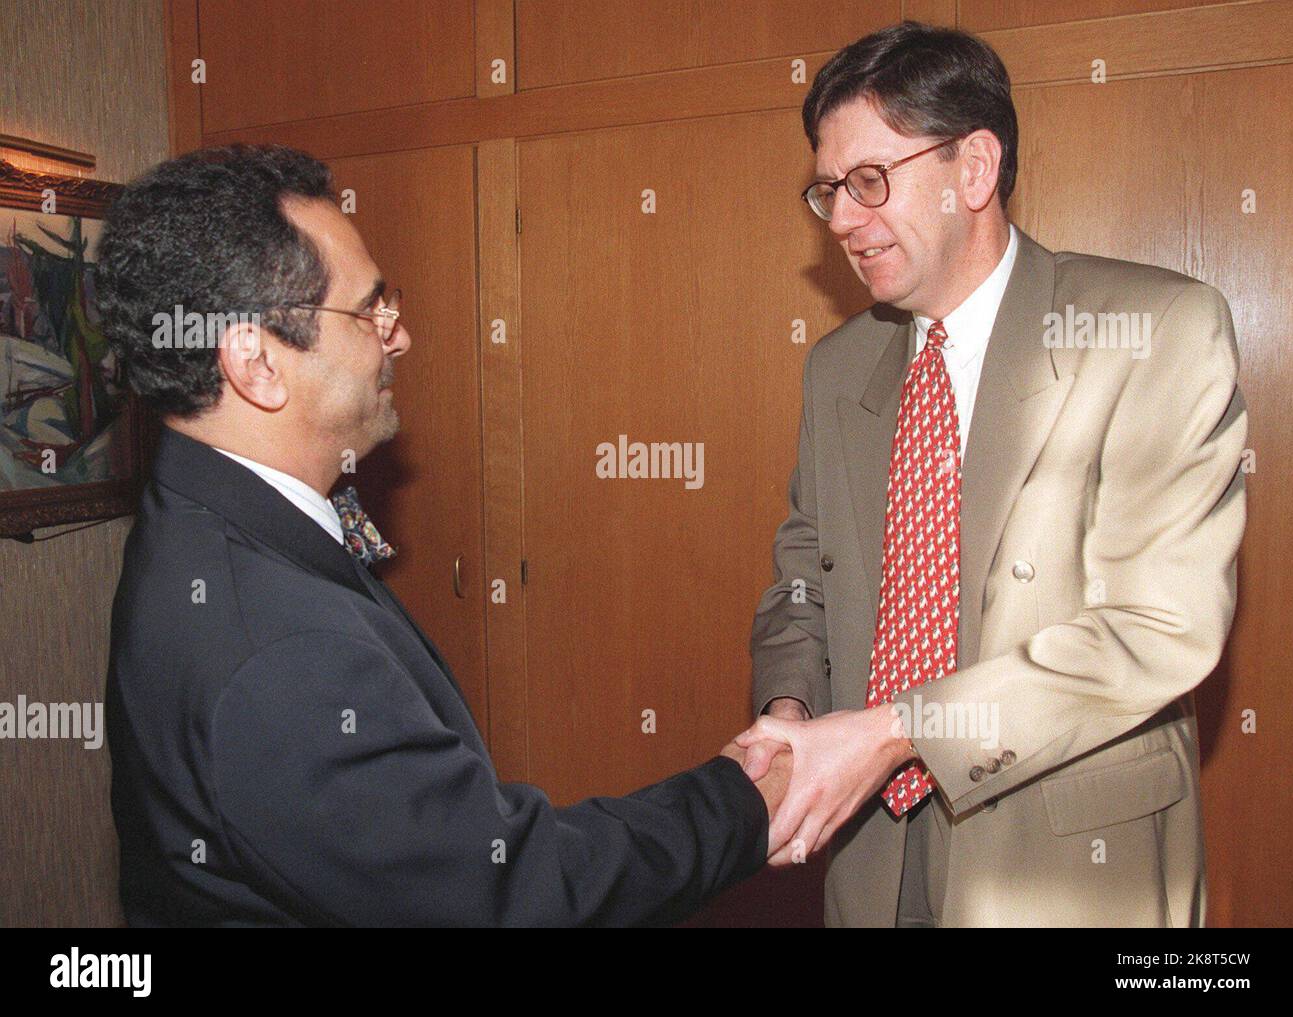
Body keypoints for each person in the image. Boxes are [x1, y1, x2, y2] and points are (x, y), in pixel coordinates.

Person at [97, 144, 791, 927]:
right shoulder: (279, 651)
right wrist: (741, 801)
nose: (399, 338)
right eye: (367, 311)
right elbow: (513, 896)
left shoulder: (199, 510)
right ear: (256, 363)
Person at [739, 21, 1245, 927]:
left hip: (1067, 866)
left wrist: (896, 732)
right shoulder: (836, 366)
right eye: (828, 190)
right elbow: (803, 570)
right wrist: (792, 715)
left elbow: (1162, 627)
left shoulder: (1155, 331)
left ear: (974, 169)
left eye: (869, 180)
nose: (843, 219)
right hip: (871, 852)